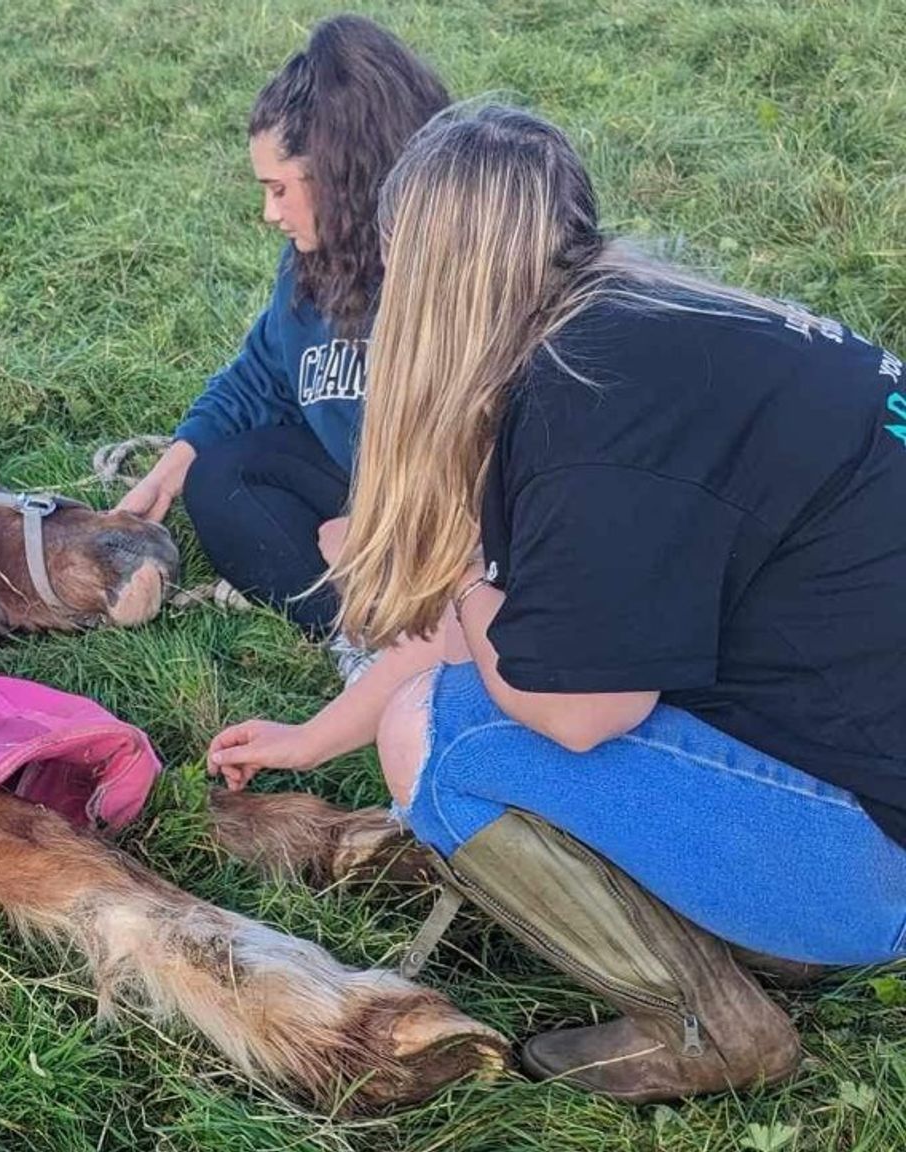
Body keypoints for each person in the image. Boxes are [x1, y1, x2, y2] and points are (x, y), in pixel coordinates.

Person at [216, 102, 906, 1102]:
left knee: (442, 742)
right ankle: (756, 921)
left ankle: (705, 1021)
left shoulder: (584, 406)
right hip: (860, 767)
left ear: (431, 271)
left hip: (873, 866)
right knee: (477, 685)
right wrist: (308, 741)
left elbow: (576, 709)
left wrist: (454, 578)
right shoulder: (647, 331)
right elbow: (494, 625)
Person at [116, 14, 449, 665]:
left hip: (454, 513)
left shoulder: (446, 268)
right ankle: (358, 635)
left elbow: (490, 443)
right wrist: (174, 464)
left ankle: (424, 629)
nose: (270, 213)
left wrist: (391, 530)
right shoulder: (311, 261)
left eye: (280, 189)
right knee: (222, 478)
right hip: (362, 489)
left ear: (345, 174)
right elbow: (264, 374)